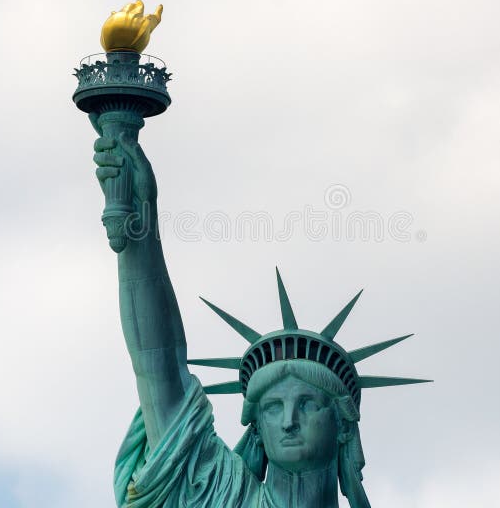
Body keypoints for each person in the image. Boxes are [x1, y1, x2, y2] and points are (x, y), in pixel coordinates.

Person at [93, 133, 372, 508]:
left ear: (342, 426)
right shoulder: (218, 495)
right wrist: (141, 214)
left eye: (307, 404)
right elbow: (156, 363)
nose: (289, 420)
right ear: (257, 429)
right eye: (273, 408)